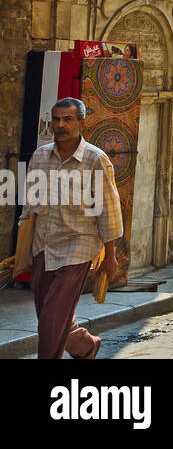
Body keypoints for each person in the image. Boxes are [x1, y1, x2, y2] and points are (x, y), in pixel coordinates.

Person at [19, 98, 123, 359]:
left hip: (78, 246)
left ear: (81, 122)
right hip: (43, 244)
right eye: (56, 119)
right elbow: (30, 206)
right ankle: (86, 346)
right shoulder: (41, 156)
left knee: (52, 318)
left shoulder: (95, 160)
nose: (60, 125)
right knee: (48, 312)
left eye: (67, 119)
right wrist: (23, 248)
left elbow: (108, 210)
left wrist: (110, 256)